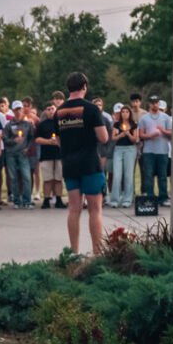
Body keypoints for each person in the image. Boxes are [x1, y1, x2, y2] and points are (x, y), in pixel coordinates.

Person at [36, 72, 111, 254]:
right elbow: (103, 137)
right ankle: (97, 252)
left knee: (73, 209)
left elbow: (59, 141)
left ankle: (74, 252)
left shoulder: (59, 113)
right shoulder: (92, 109)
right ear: (84, 87)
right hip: (90, 164)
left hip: (69, 164)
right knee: (95, 209)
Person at [138, 96, 173, 208]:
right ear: (149, 104)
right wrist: (151, 135)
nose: (155, 105)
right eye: (152, 103)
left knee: (162, 176)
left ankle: (163, 198)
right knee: (148, 175)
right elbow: (141, 134)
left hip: (162, 151)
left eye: (156, 103)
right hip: (149, 151)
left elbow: (171, 133)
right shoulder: (144, 118)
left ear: (159, 103)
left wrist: (162, 130)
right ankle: (150, 197)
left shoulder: (166, 117)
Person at [107, 104, 137, 209]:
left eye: (127, 112)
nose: (125, 114)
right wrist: (121, 135)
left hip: (130, 149)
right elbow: (113, 138)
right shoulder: (116, 125)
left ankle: (127, 199)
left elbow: (135, 139)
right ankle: (115, 199)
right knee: (117, 175)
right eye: (123, 112)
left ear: (130, 113)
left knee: (128, 176)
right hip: (118, 150)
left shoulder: (133, 124)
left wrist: (128, 134)